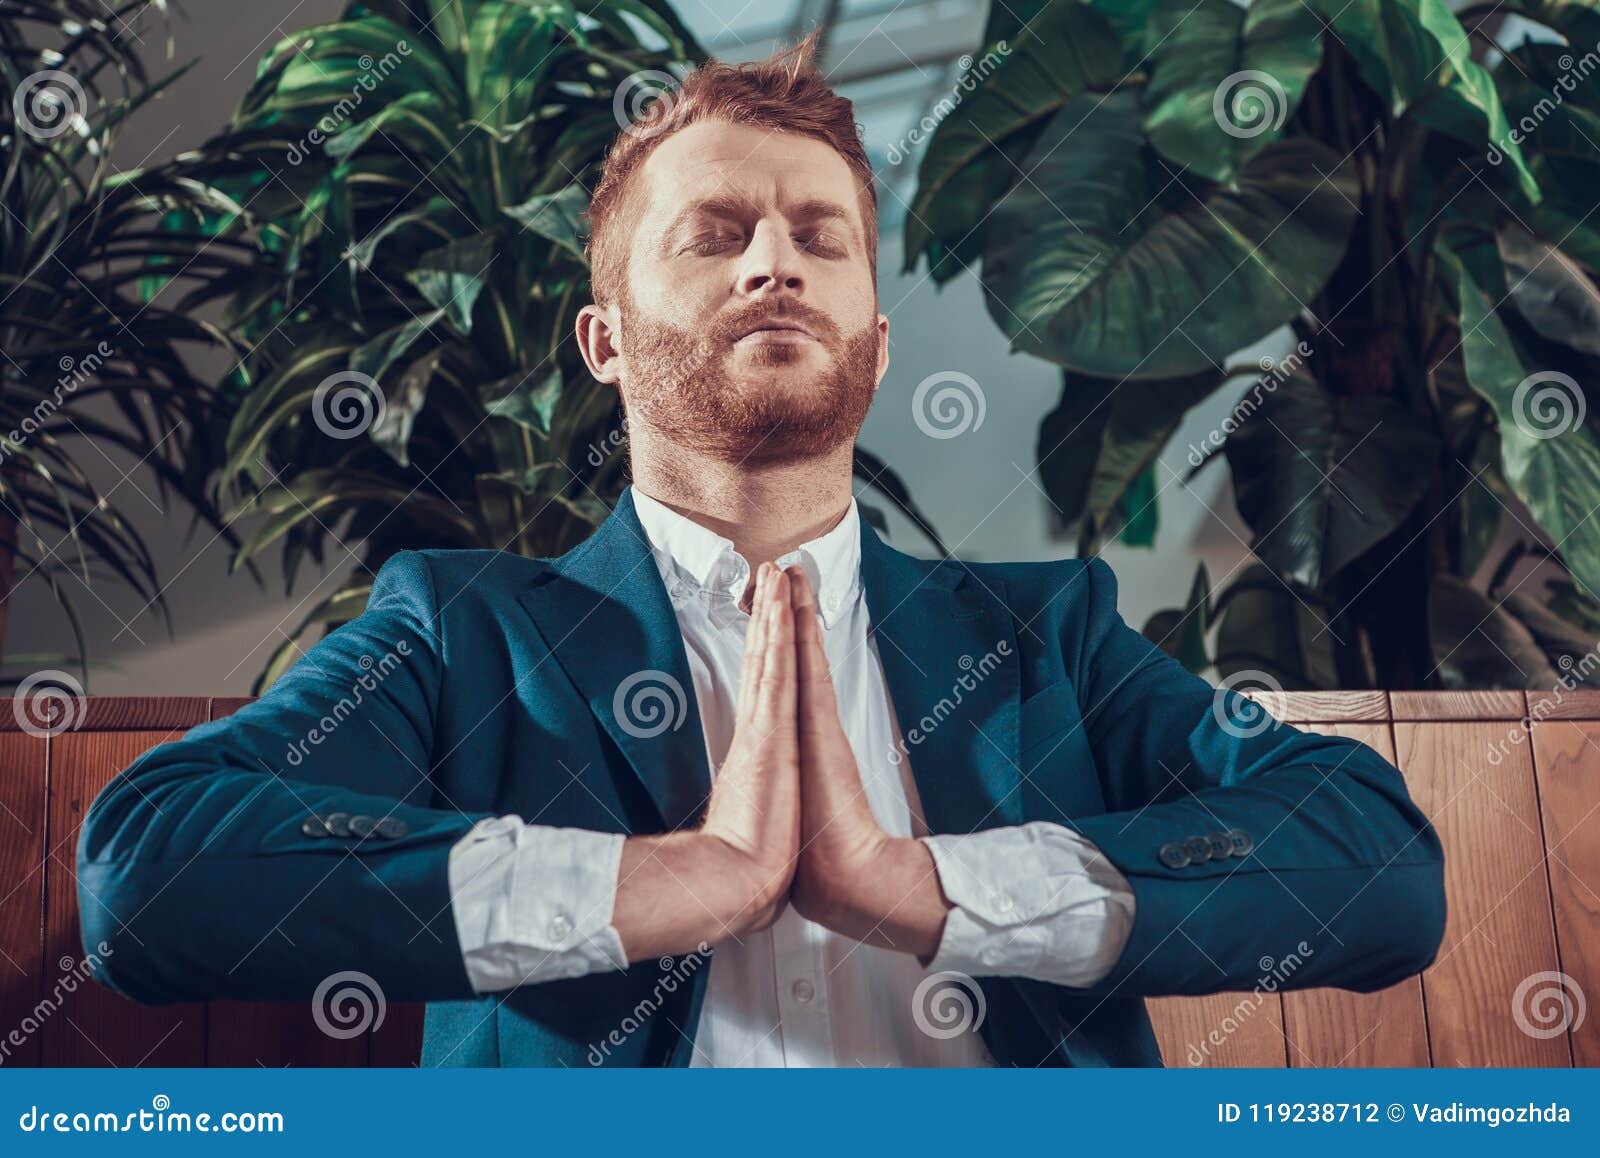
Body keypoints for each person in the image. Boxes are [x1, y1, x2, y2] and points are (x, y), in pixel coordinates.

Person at [77, 31, 1445, 1067]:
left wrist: (928, 887)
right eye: (717, 234)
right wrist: (675, 878)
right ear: (603, 341)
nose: (771, 264)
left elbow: (1380, 866)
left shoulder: (1051, 637)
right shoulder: (461, 632)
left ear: (876, 338)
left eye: (818, 237)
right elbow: (150, 868)